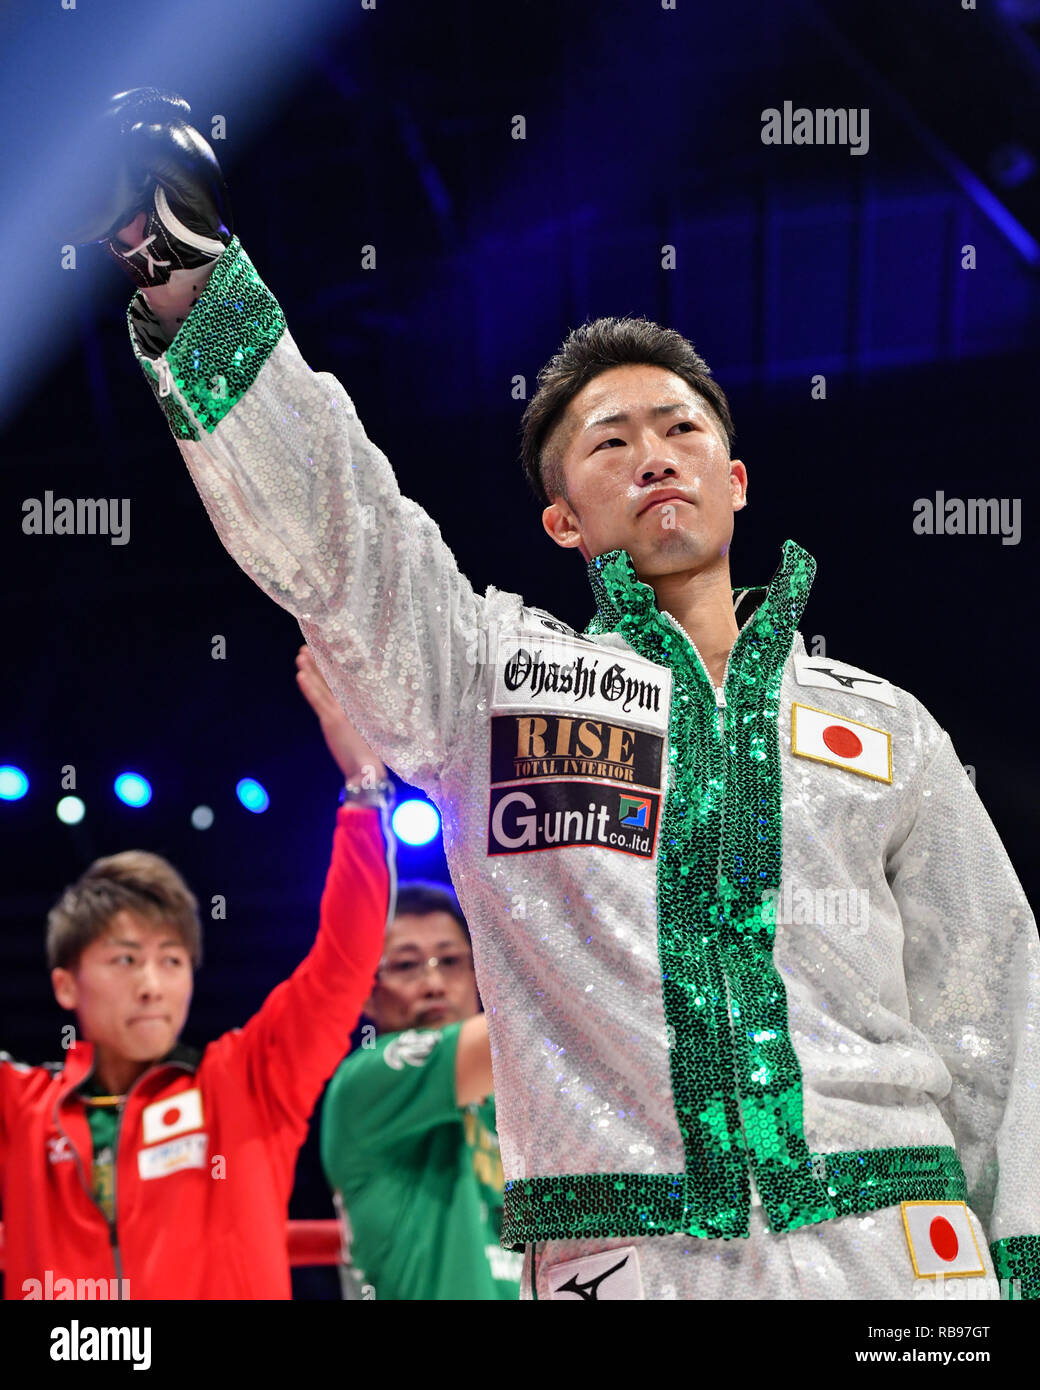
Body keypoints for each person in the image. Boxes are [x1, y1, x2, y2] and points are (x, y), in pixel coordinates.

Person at [74, 88, 1040, 1301]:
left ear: (734, 481)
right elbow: (345, 534)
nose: (652, 451)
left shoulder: (887, 727)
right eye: (607, 440)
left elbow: (988, 1003)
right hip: (633, 1266)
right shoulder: (496, 679)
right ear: (561, 517)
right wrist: (189, 279)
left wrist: (1021, 1274)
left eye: (679, 427)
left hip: (901, 1262)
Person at [0, 653, 393, 1300]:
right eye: (125, 959)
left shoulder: (247, 1083)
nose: (152, 984)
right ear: (66, 984)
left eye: (171, 960)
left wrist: (364, 786)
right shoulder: (20, 1110)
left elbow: (345, 962)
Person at [296, 644, 521, 1300]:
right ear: (367, 997)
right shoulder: (367, 1083)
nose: (431, 980)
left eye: (451, 961)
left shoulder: (515, 1095)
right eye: (404, 965)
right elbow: (524, 1023)